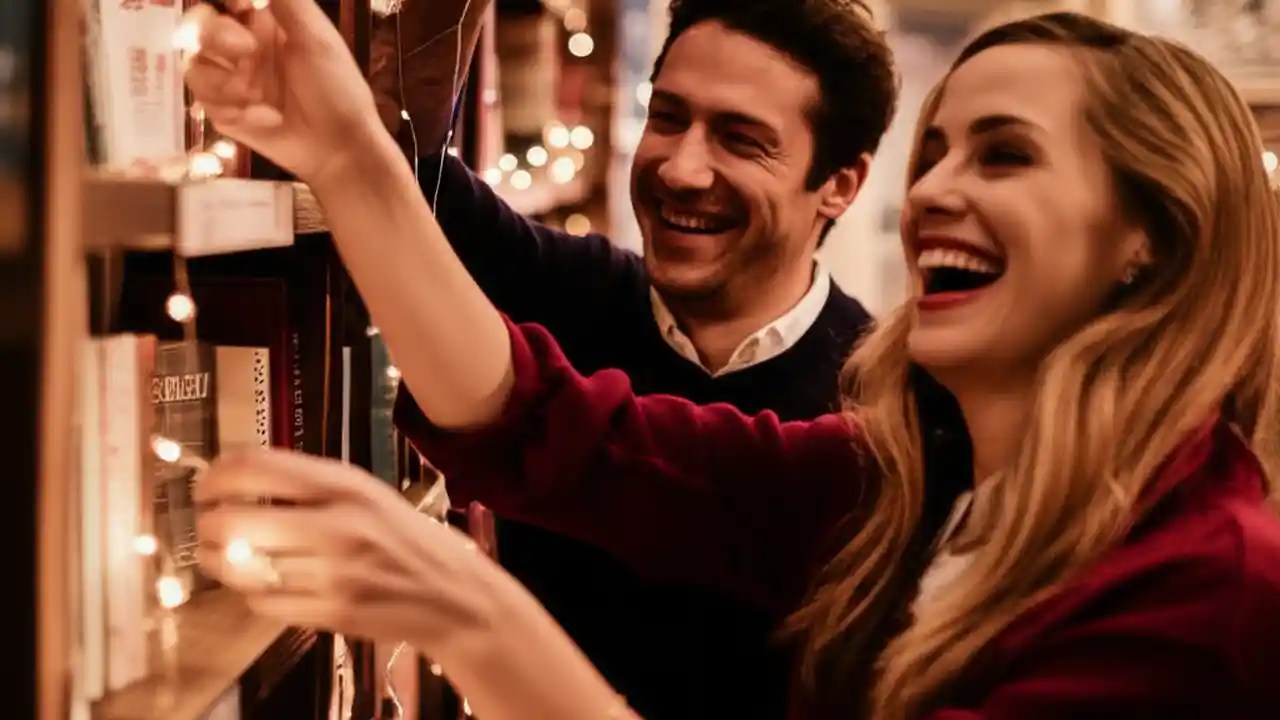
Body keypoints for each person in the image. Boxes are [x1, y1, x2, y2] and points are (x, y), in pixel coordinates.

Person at [188, 5, 1280, 719]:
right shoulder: (906, 485)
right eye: (938, 150)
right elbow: (552, 434)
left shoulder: (1206, 592)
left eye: (1005, 156)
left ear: (1150, 238)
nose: (937, 191)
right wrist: (344, 148)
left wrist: (469, 617)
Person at [365, 0, 922, 716]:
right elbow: (398, 175)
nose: (682, 170)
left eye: (741, 140)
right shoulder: (558, 288)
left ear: (840, 183)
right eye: (667, 118)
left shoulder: (883, 413)